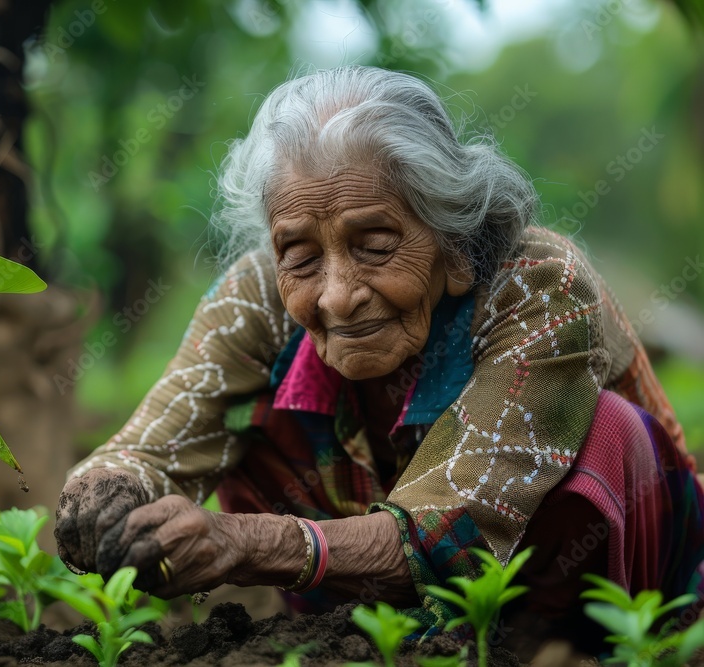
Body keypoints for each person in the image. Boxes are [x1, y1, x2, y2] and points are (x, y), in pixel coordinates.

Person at [54, 66, 704, 644]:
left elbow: (457, 527)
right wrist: (102, 499)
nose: (337, 296)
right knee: (246, 421)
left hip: (586, 598)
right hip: (368, 603)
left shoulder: (535, 279)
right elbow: (148, 446)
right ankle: (354, 638)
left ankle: (557, 649)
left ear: (453, 244)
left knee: (607, 433)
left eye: (375, 244)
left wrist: (246, 539)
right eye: (302, 257)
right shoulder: (258, 293)